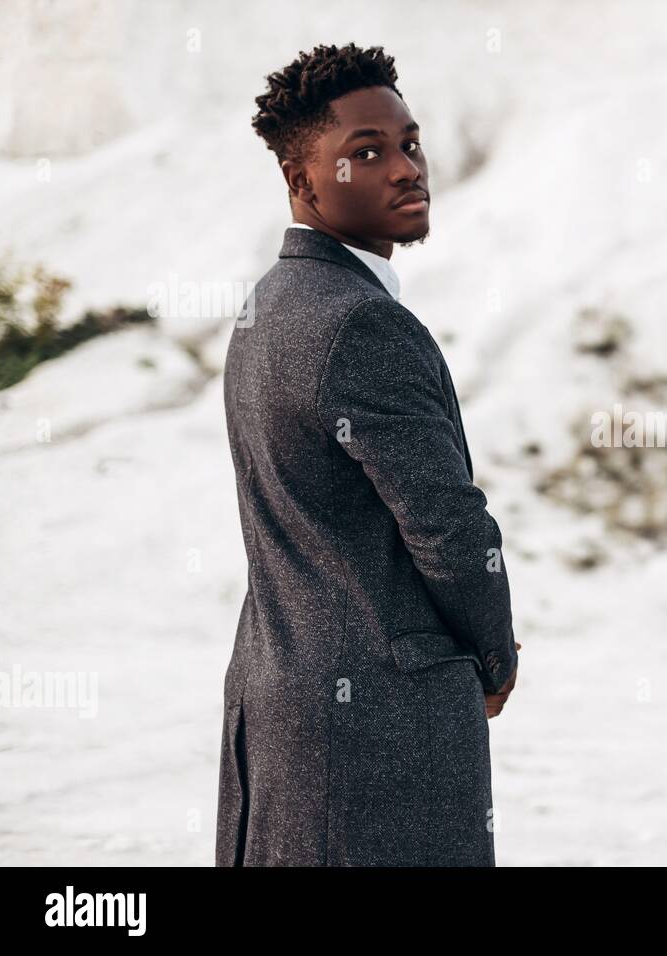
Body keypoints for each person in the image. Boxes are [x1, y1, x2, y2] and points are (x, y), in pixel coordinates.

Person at [216, 43, 519, 866]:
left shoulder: (265, 306)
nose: (404, 169)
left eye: (409, 144)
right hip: (378, 725)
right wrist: (493, 657)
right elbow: (449, 526)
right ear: (303, 184)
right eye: (366, 152)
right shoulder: (362, 323)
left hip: (276, 699)